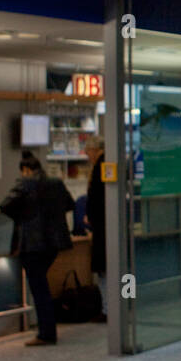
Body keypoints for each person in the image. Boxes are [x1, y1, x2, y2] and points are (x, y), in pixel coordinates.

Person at [0, 151, 73, 346]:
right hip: (54, 244)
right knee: (42, 285)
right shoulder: (56, 183)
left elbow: (5, 206)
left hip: (32, 244)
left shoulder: (26, 184)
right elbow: (70, 204)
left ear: (26, 170)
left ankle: (46, 333)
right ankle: (47, 330)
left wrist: (24, 216)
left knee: (39, 288)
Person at [84, 134, 108, 321]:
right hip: (106, 226)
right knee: (119, 270)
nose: (87, 155)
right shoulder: (108, 164)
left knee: (105, 272)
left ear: (95, 149)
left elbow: (97, 199)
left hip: (103, 228)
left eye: (88, 151)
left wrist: (90, 216)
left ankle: (108, 309)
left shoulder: (101, 167)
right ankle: (126, 302)